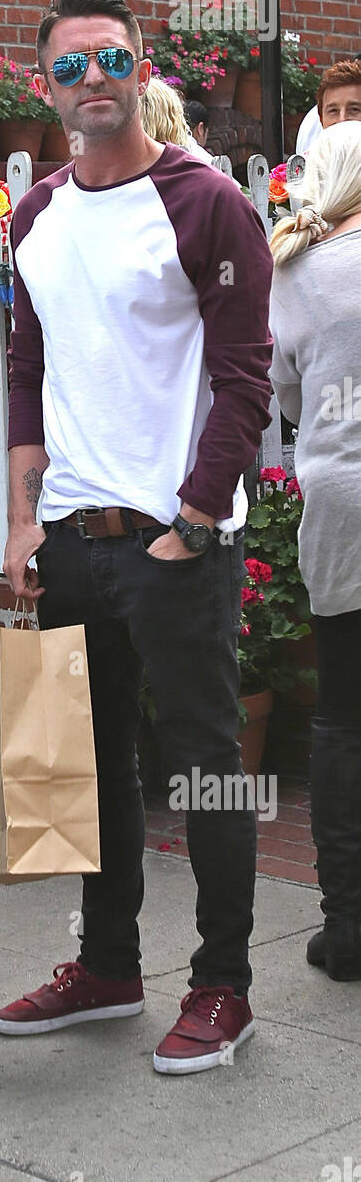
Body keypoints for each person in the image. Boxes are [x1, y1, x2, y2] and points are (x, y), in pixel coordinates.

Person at [0, 0, 274, 1074]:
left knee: (205, 766)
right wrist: (23, 520)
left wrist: (195, 516)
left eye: (109, 61)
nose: (92, 83)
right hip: (70, 536)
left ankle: (221, 985)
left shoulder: (205, 204)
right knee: (82, 766)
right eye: (68, 68)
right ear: (45, 88)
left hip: (173, 539)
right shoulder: (34, 216)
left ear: (141, 67)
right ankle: (106, 966)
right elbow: (27, 372)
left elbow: (246, 383)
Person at [268, 122, 361, 981]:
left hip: (341, 504)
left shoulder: (297, 272)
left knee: (341, 715)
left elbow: (288, 394)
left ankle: (348, 928)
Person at [296, 55, 361, 154]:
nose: (342, 119)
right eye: (333, 111)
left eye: (354, 109)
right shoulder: (305, 166)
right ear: (321, 119)